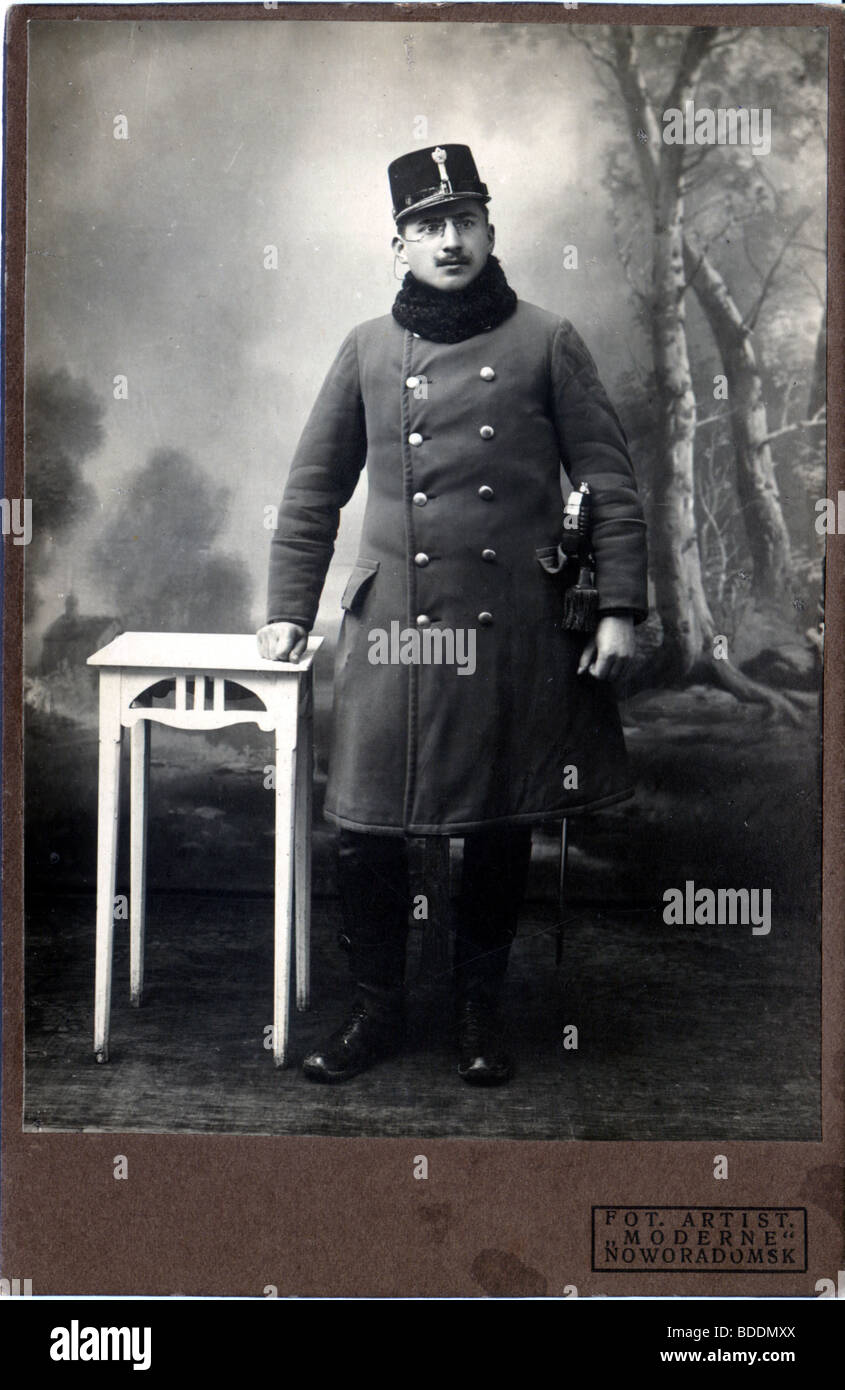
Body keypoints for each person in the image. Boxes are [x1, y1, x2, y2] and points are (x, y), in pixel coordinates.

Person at [257, 144, 647, 1086]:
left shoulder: (547, 339)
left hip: (509, 622)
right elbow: (312, 493)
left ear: (490, 230)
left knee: (500, 819)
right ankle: (374, 1014)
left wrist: (620, 606)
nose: (449, 240)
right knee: (365, 825)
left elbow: (608, 481)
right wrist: (286, 610)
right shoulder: (364, 348)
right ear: (398, 245)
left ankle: (478, 1012)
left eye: (463, 220)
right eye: (427, 226)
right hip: (394, 623)